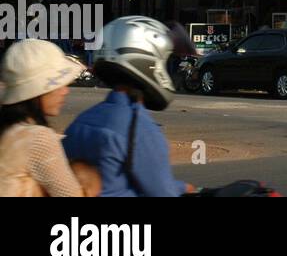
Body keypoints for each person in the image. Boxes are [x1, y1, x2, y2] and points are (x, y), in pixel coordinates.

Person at [62, 16, 193, 197]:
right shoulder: (139, 129)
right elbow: (162, 192)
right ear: (148, 61)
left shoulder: (81, 121)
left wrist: (179, 187)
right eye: (164, 60)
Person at [0, 39, 100, 197]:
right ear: (38, 91)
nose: (65, 91)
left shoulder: (9, 131)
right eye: (58, 84)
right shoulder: (39, 138)